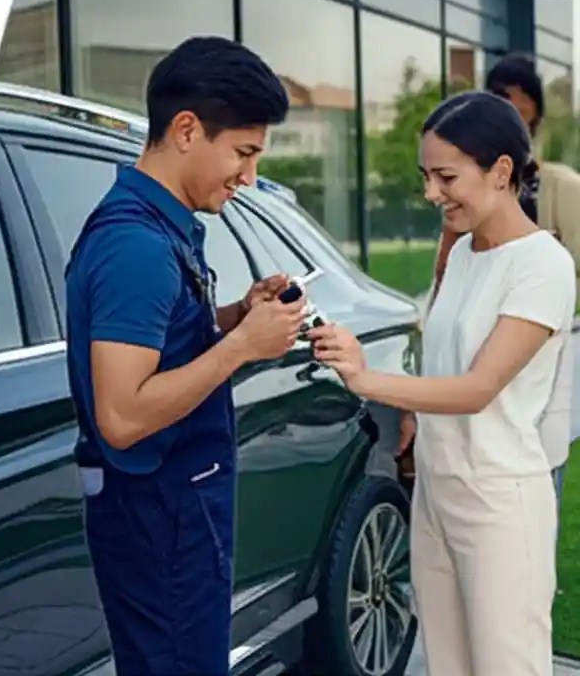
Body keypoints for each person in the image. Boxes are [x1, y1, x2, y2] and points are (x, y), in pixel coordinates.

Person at [310, 90, 575, 676]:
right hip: (435, 491)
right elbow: (442, 362)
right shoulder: (456, 254)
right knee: (445, 667)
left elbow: (479, 388)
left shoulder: (543, 266)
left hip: (499, 502)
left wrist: (366, 378)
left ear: (501, 171)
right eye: (427, 176)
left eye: (446, 176)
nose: (432, 193)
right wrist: (410, 411)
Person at [64, 35, 306, 676]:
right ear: (187, 129)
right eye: (244, 153)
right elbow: (122, 414)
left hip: (173, 512)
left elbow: (159, 345)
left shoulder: (162, 228)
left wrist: (234, 318)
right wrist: (240, 347)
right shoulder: (136, 247)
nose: (250, 177)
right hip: (159, 518)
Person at [416, 53, 580, 505]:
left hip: (535, 356)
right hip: (457, 456)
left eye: (519, 107)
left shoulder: (559, 194)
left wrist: (531, 309)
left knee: (532, 464)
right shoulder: (462, 223)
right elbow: (443, 290)